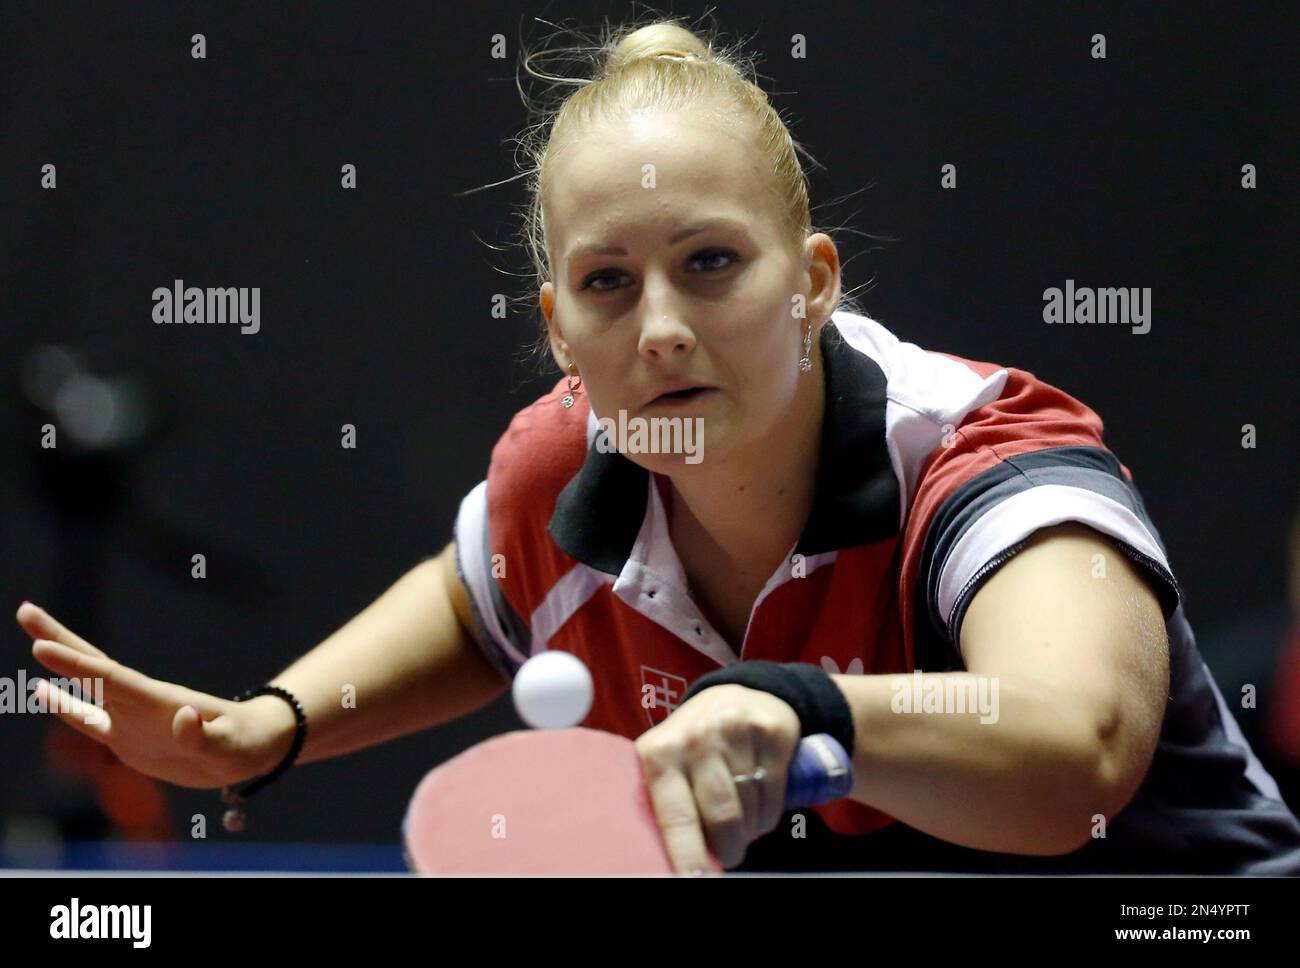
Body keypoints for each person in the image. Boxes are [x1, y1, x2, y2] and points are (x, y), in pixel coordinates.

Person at [18, 17, 1300, 876]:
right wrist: (271, 725)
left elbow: (1078, 752)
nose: (665, 328)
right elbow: (482, 604)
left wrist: (799, 704)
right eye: (608, 283)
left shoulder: (989, 466)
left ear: (813, 282)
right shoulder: (563, 469)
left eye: (710, 263)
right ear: (558, 327)